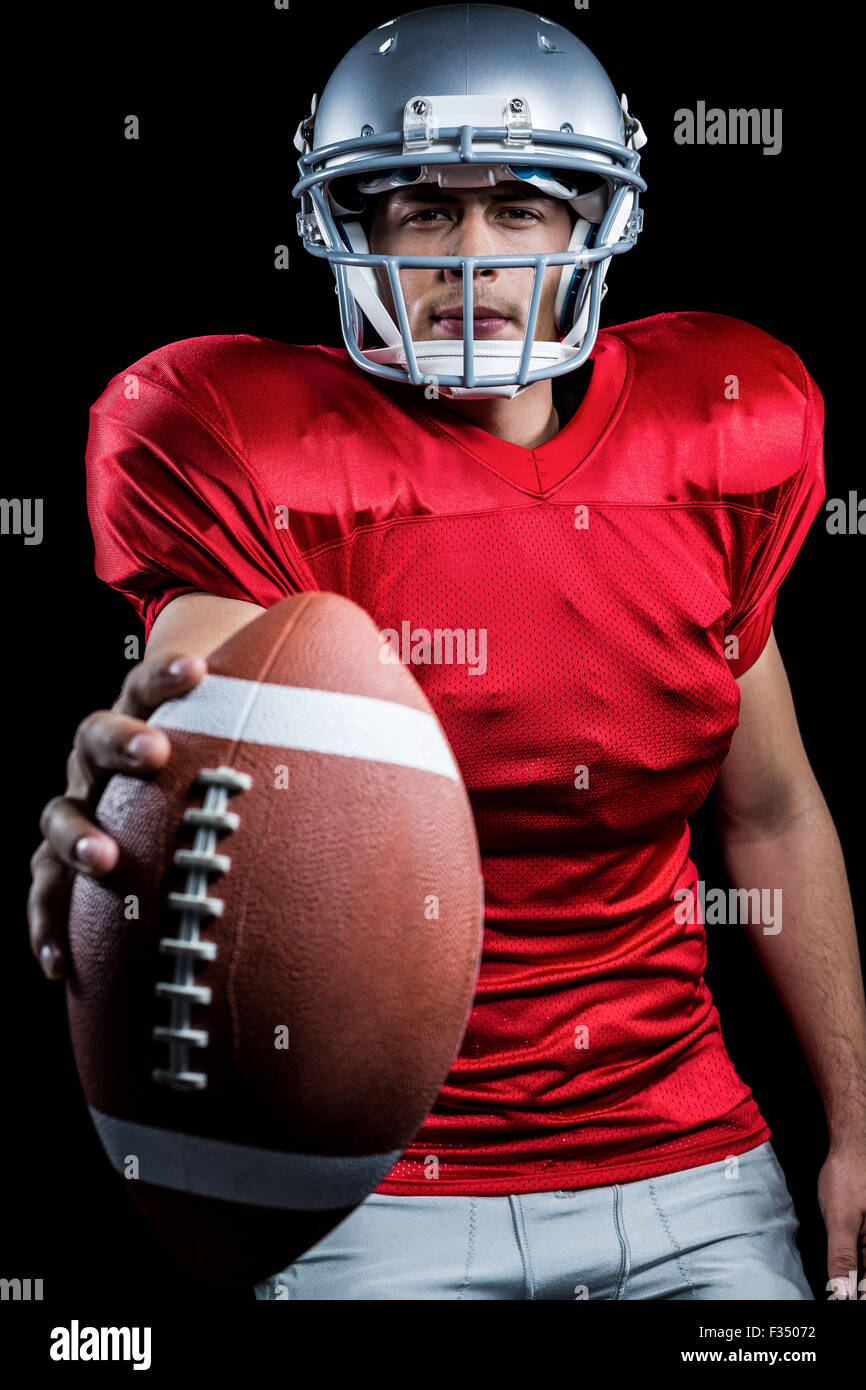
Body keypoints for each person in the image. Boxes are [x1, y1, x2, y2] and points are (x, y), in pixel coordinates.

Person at [29, 4, 865, 1300]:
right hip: (379, 1191)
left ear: (595, 222)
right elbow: (184, 710)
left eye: (520, 207)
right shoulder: (245, 446)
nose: (471, 256)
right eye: (420, 209)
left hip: (690, 1165)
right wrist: (130, 797)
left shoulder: (717, 438)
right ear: (346, 230)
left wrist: (855, 1134)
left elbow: (770, 811)